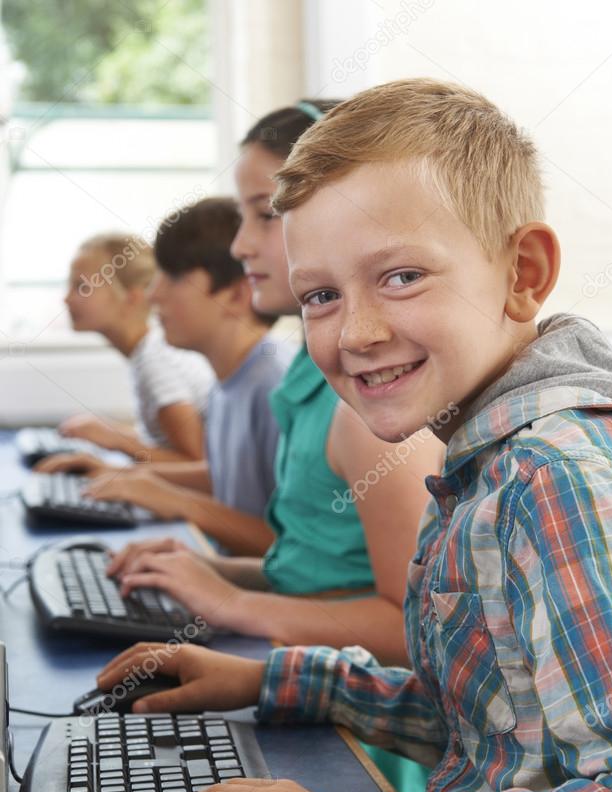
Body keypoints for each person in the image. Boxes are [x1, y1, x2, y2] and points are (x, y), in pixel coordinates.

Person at [98, 80, 612, 792]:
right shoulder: (488, 461)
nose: (357, 331)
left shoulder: (557, 475)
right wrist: (267, 681)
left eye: (401, 276)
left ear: (523, 272)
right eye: (322, 294)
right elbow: (497, 724)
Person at [101, 102, 442, 681]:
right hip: (303, 674)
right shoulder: (308, 376)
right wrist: (217, 572)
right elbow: (316, 575)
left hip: (360, 733)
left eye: (264, 215)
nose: (239, 246)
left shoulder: (369, 404)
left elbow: (409, 630)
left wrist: (235, 603)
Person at [39, 199, 289, 557]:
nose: (153, 295)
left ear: (236, 293)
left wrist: (177, 501)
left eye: (171, 277)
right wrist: (129, 477)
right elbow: (222, 477)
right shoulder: (228, 382)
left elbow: (291, 549)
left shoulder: (275, 386)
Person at [50, 233, 215, 462]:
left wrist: (116, 439)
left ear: (132, 298)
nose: (66, 299)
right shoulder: (146, 352)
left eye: (82, 286)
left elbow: (195, 463)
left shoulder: (155, 361)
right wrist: (109, 432)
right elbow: (163, 443)